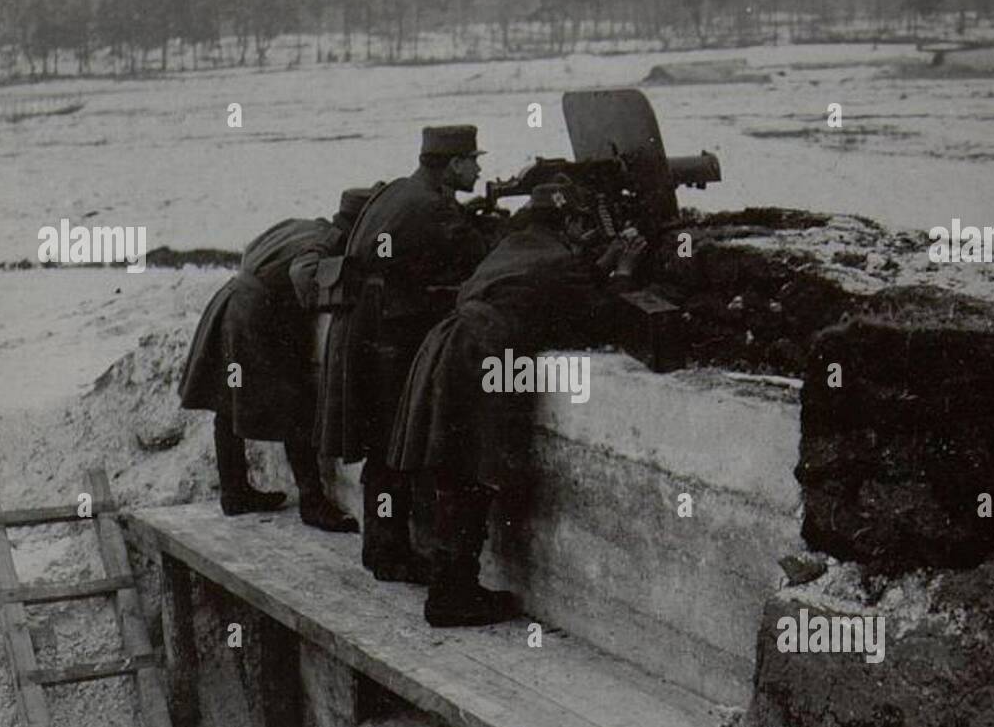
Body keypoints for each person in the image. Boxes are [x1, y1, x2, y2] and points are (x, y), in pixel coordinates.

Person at [386, 181, 648, 627]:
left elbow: (544, 286)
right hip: (485, 353)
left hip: (450, 344)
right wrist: (623, 269)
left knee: (453, 469)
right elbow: (596, 319)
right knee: (475, 470)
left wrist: (594, 268)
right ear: (571, 222)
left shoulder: (515, 247)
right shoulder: (561, 259)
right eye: (582, 225)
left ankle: (450, 588)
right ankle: (453, 597)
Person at [316, 126, 489, 583]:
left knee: (382, 447)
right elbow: (479, 258)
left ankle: (382, 548)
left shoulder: (400, 190)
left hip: (363, 329)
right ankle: (389, 553)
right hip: (385, 339)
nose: (478, 168)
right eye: (472, 160)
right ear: (452, 164)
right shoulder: (432, 207)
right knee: (394, 446)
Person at [178, 189, 371, 530]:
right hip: (257, 316)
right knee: (295, 405)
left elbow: (253, 248)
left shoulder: (302, 225)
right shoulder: (326, 243)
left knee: (228, 399)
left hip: (231, 300)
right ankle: (312, 503)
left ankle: (234, 492)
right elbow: (304, 275)